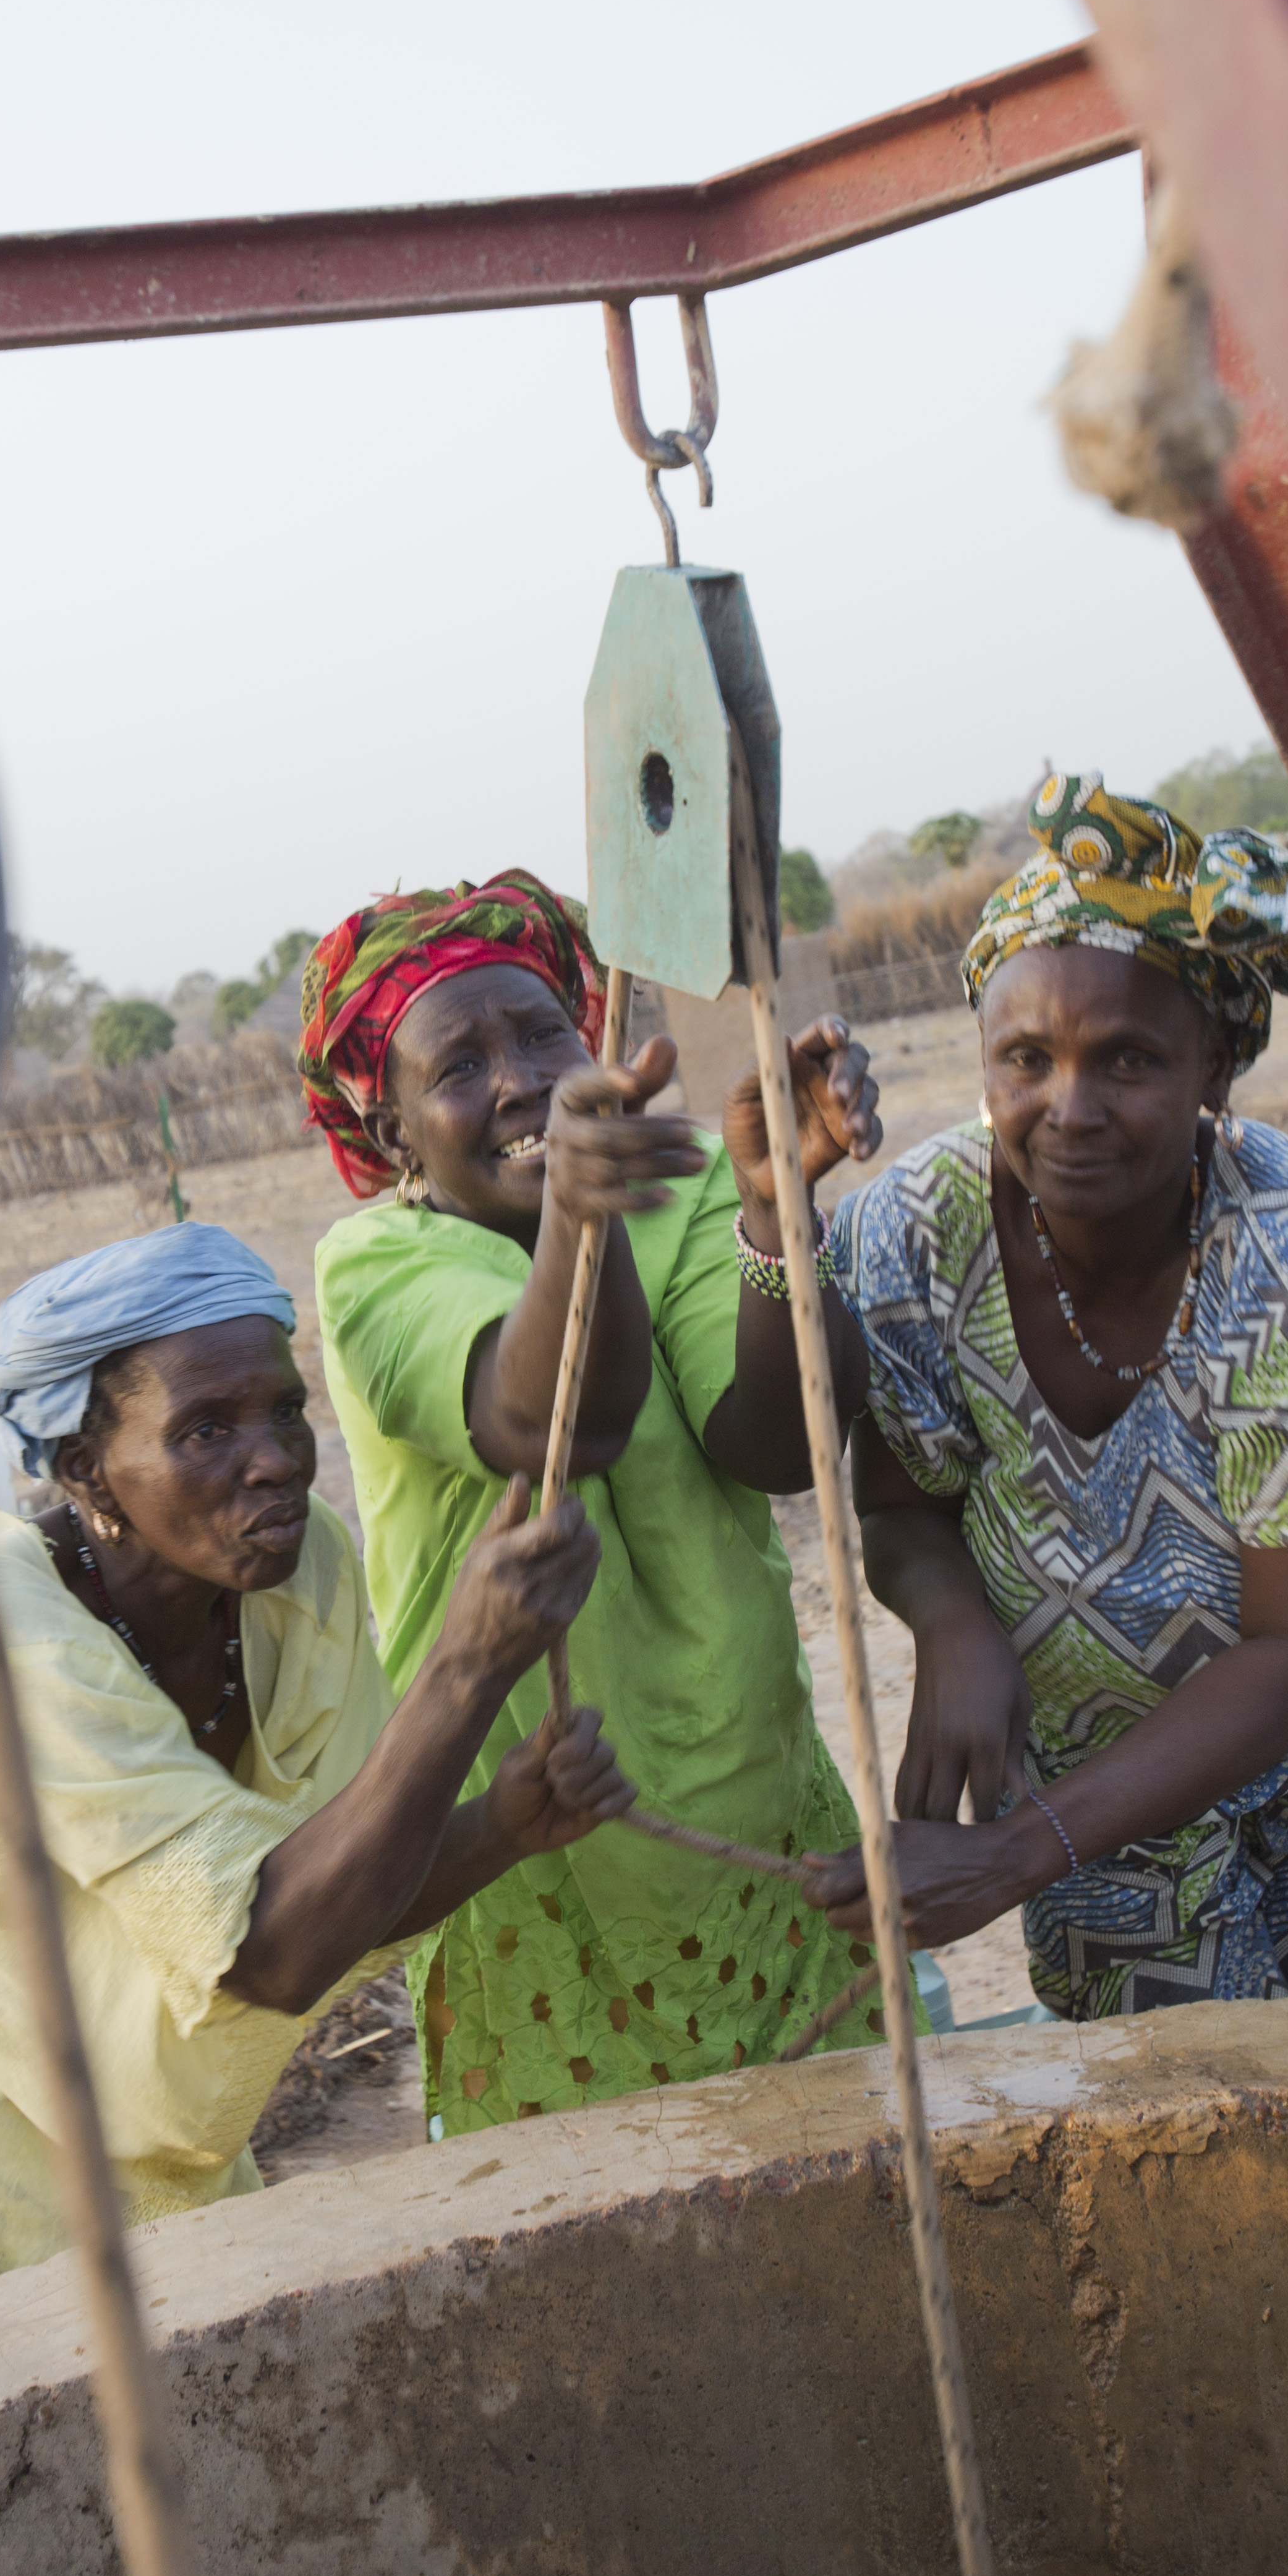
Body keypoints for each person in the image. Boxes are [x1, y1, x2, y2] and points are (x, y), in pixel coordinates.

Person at [0, 1226, 630, 2339]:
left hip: (58, 1995)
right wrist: (467, 1668)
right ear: (88, 1470)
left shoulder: (301, 1571)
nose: (276, 1455)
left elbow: (339, 1873)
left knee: (172, 2325)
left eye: (284, 1410)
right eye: (205, 1430)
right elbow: (270, 1949)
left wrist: (501, 1826)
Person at [808, 775, 1288, 2017]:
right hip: (1096, 1773)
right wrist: (953, 1627)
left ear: (1215, 1070)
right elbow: (901, 1506)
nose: (1068, 1107)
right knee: (1167, 2149)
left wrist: (1020, 1851)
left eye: (1126, 1060)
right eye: (1026, 1058)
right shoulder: (912, 1234)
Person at [302, 867, 892, 2134]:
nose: (517, 1080)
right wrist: (580, 1207)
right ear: (393, 1130)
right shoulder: (377, 1267)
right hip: (542, 1846)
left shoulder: (669, 1204)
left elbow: (776, 1444)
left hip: (757, 1817)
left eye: (542, 1035)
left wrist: (772, 1214)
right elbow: (552, 1424)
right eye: (457, 1066)